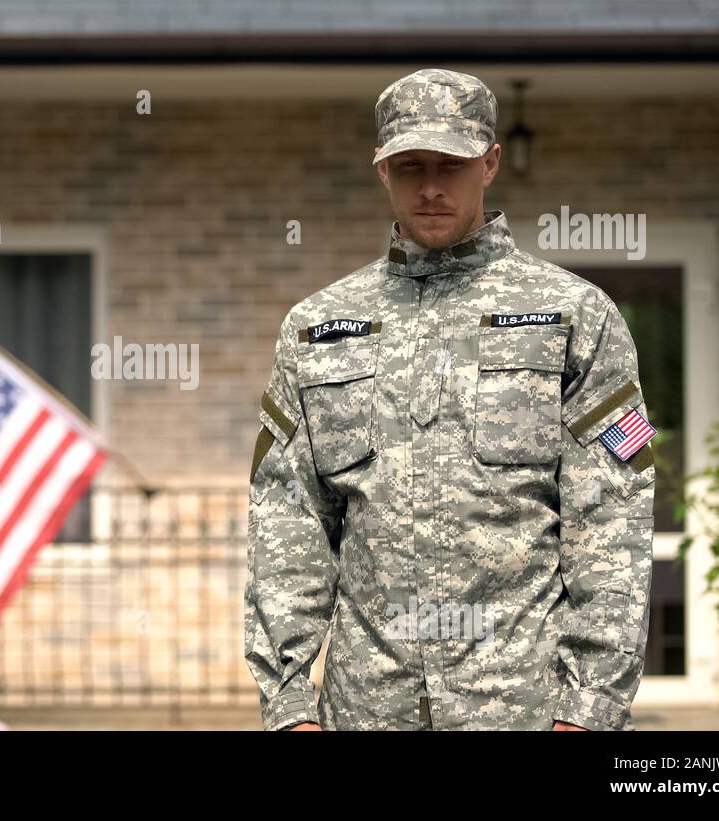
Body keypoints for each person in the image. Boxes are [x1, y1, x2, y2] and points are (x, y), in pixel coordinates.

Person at [245, 68, 656, 731]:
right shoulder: (316, 329)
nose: (431, 185)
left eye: (451, 164)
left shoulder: (576, 316)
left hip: (526, 709)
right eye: (410, 165)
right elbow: (288, 520)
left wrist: (589, 708)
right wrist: (290, 705)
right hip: (365, 708)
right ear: (382, 171)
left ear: (490, 163)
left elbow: (614, 517)